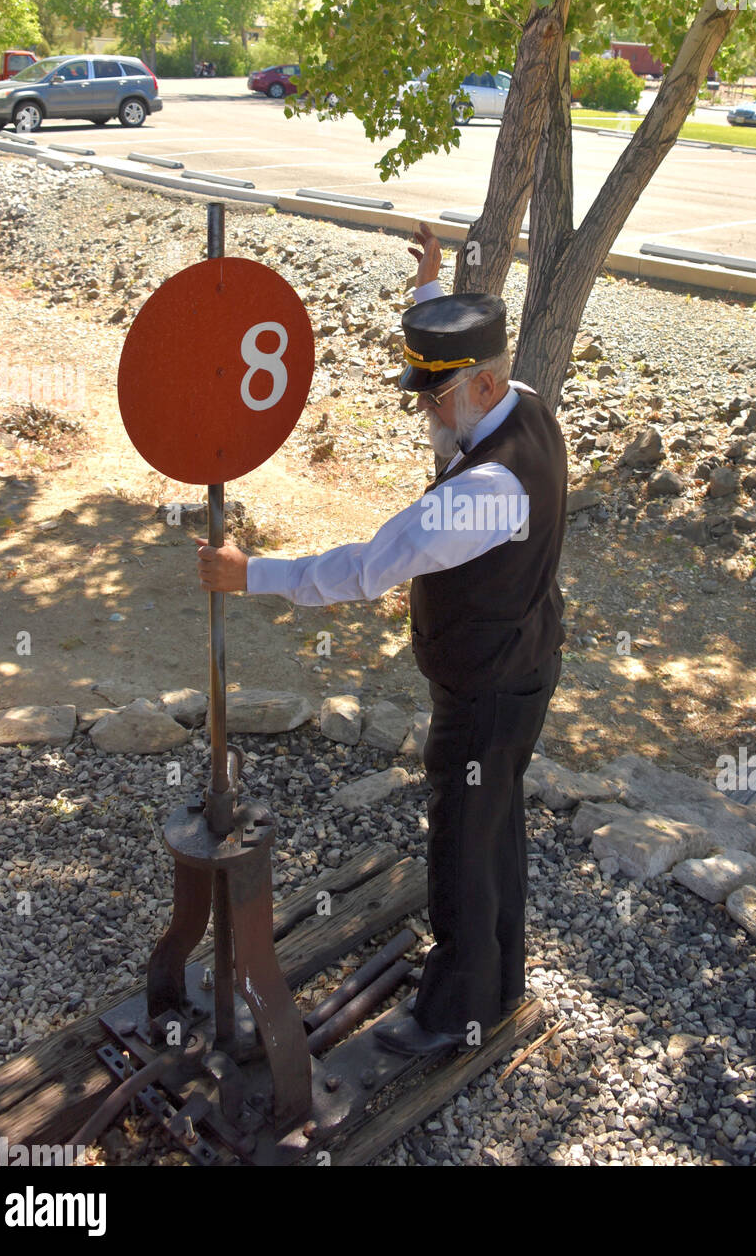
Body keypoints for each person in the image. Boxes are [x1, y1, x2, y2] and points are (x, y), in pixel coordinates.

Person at [194, 223, 567, 1056]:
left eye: (437, 397)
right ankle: (502, 976)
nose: (426, 412)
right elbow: (459, 358)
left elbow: (369, 568)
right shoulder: (523, 406)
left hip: (484, 689)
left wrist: (249, 573)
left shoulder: (488, 490)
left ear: (486, 385)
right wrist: (431, 294)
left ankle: (455, 1012)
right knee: (499, 826)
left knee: (464, 844)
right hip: (525, 669)